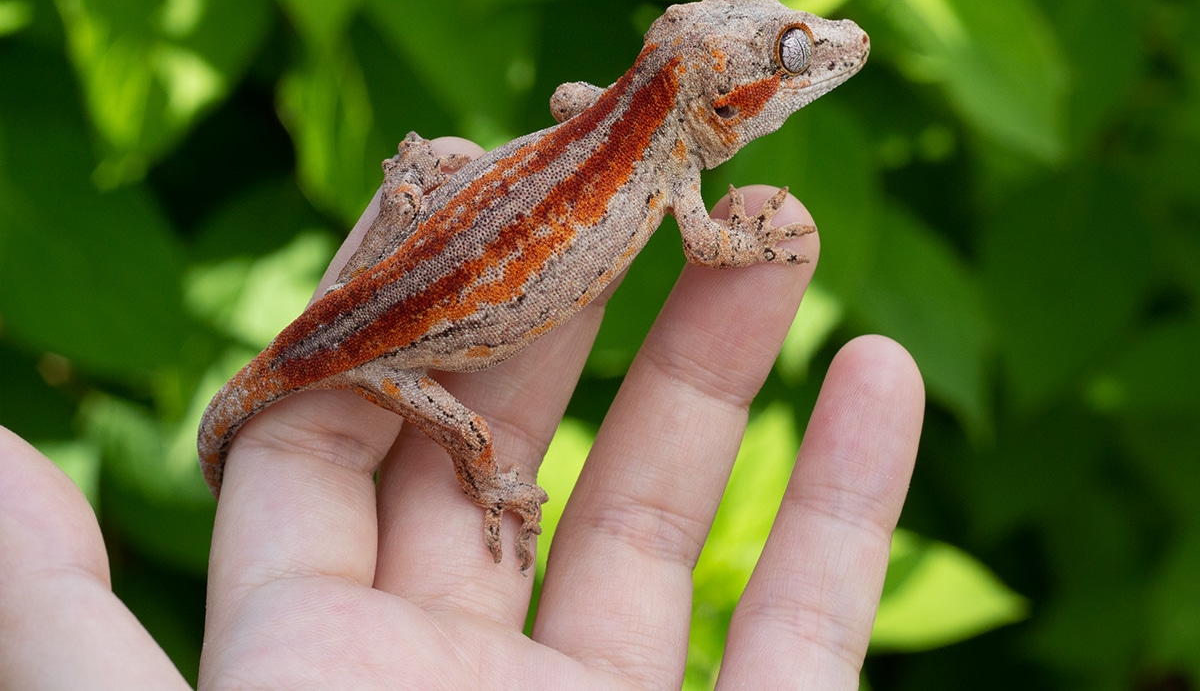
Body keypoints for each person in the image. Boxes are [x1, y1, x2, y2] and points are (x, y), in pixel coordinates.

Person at [0, 167, 923, 690]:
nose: (820, 54)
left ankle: (405, 203)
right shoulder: (662, 159)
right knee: (482, 440)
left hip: (389, 301)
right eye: (791, 59)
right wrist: (752, 247)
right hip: (388, 357)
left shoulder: (623, 125)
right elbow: (708, 245)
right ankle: (490, 486)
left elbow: (571, 99)